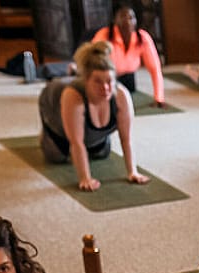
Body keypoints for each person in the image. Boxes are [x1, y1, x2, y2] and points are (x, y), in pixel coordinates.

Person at [38, 40, 149, 192]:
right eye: (98, 82)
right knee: (57, 156)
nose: (105, 87)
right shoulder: (73, 95)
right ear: (86, 81)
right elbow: (76, 142)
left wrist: (132, 172)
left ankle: (74, 72)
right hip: (54, 111)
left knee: (101, 153)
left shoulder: (121, 95)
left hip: (91, 129)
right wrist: (85, 178)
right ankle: (68, 73)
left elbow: (126, 138)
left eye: (109, 81)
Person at [91, 2, 165, 108]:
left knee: (126, 97)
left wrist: (159, 97)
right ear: (114, 20)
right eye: (123, 17)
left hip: (128, 77)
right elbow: (92, 61)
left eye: (131, 18)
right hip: (107, 77)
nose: (128, 21)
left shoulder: (143, 37)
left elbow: (155, 69)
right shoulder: (104, 35)